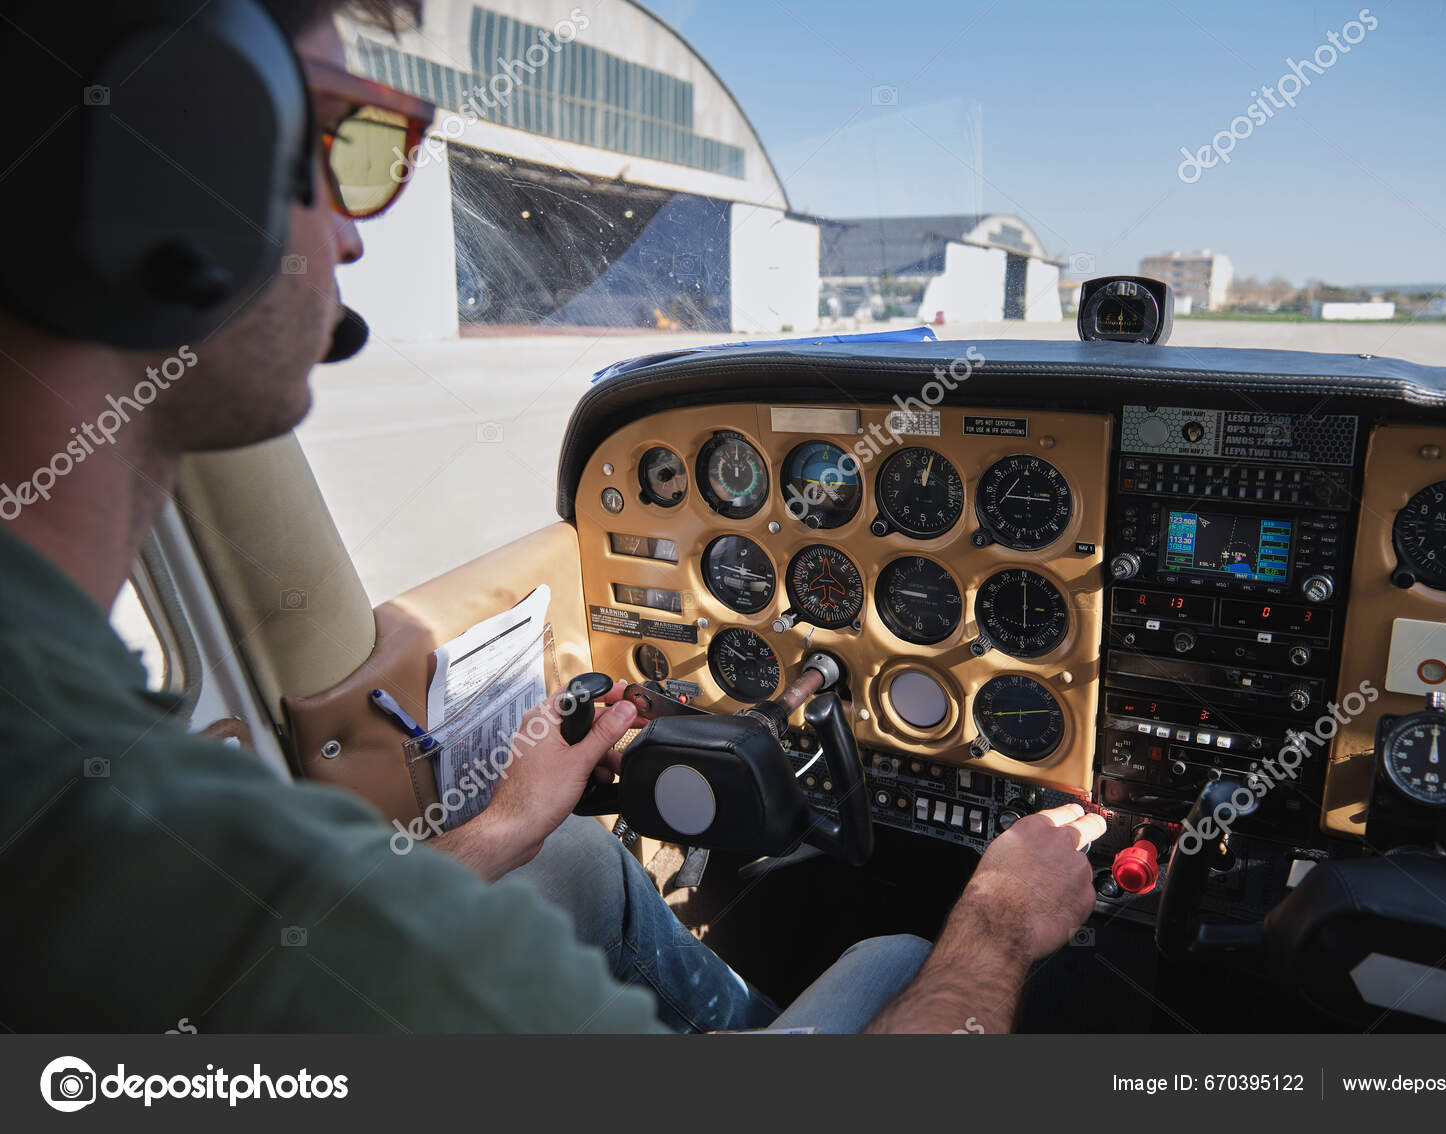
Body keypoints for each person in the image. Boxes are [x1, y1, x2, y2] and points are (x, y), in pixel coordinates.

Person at [0, 0, 1105, 1034]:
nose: (351, 239)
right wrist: (1000, 923)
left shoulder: (68, 742)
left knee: (567, 862)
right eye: (345, 144)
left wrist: (506, 821)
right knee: (908, 949)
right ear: (171, 170)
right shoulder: (118, 833)